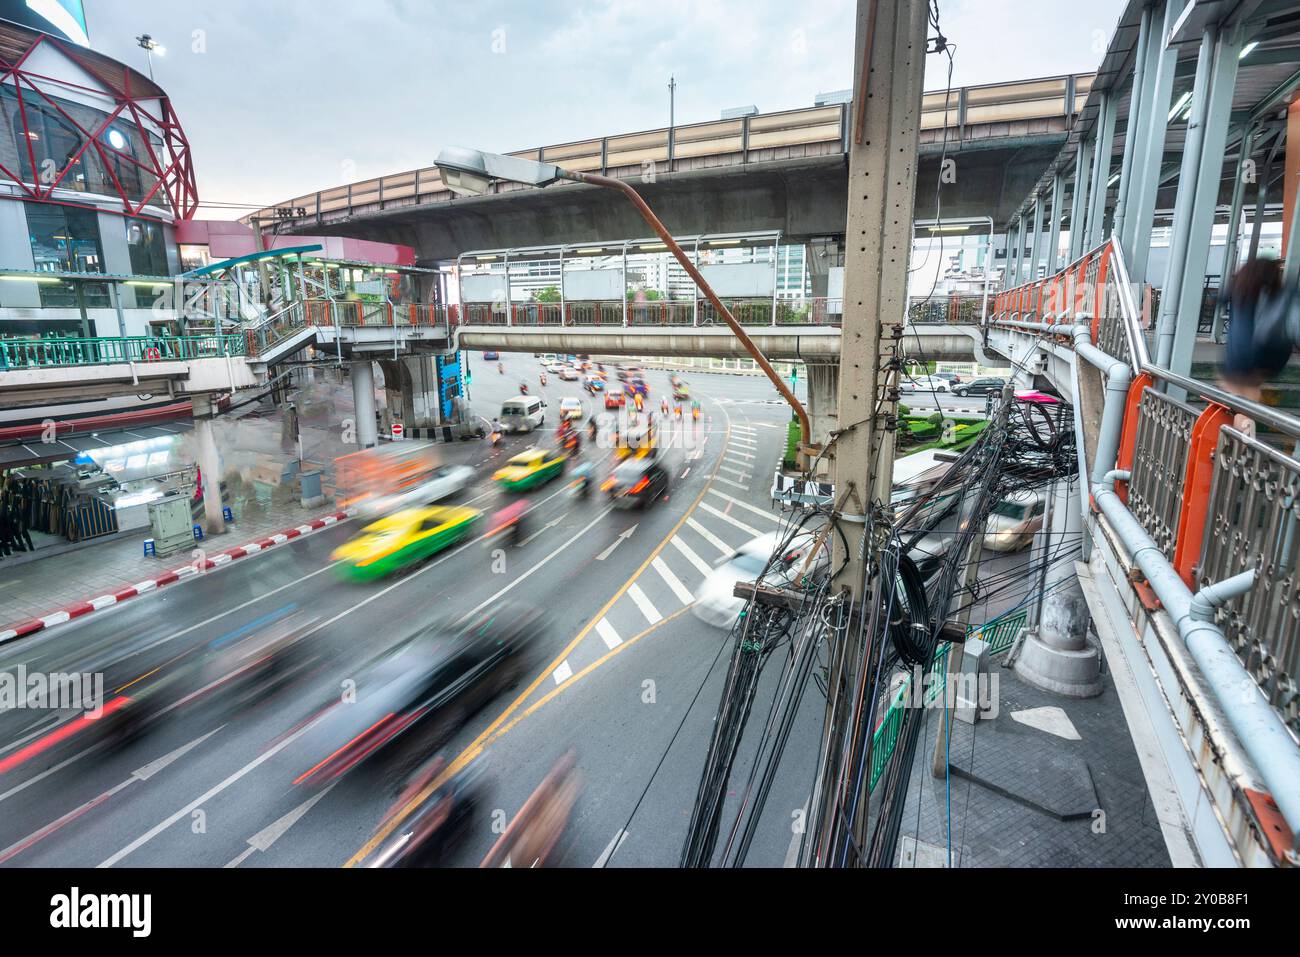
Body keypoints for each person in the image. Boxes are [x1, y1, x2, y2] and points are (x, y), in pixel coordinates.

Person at [1222, 258, 1293, 438]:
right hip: (1273, 354)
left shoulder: (1241, 288)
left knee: (1238, 399)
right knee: (1249, 395)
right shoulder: (1281, 292)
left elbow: (1217, 301)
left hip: (1241, 354)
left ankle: (1242, 443)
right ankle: (1244, 441)